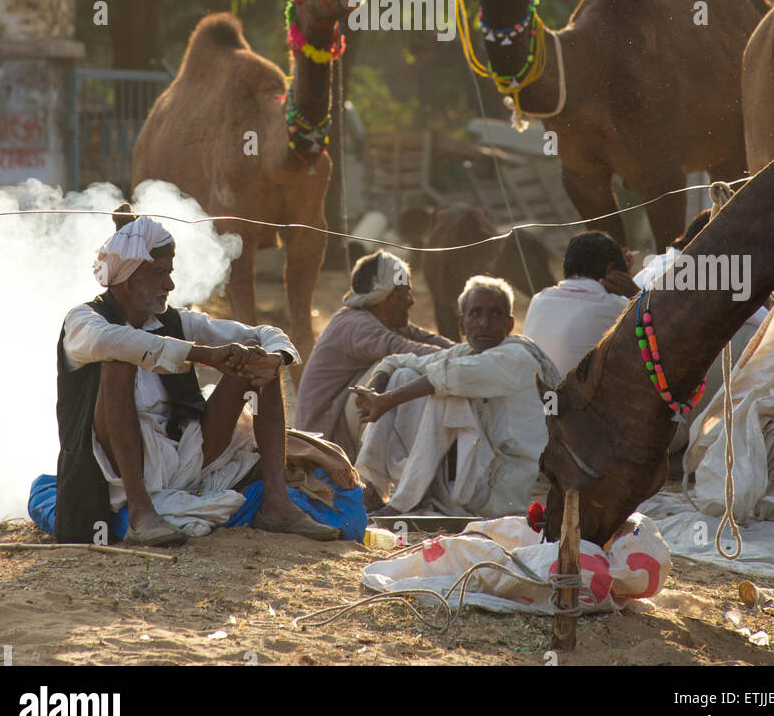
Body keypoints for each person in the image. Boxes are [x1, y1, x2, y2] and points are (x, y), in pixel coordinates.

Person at [55, 205, 341, 545]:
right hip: (117, 469)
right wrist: (204, 355)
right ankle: (141, 513)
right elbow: (118, 342)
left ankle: (276, 505)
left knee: (256, 364)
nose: (170, 284)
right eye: (161, 273)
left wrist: (275, 357)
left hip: (186, 456)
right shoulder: (84, 321)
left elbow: (263, 332)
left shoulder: (175, 321)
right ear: (131, 279)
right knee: (118, 361)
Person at [351, 276, 558, 518]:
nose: (484, 323)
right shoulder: (466, 352)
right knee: (405, 375)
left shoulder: (515, 357)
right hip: (477, 474)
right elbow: (397, 360)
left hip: (507, 489)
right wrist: (375, 393)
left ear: (509, 325)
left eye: (495, 315)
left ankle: (403, 503)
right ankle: (371, 486)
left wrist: (385, 402)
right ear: (462, 324)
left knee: (446, 393)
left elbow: (447, 377)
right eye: (476, 314)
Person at [294, 250, 452, 458]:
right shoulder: (355, 324)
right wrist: (466, 361)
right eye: (406, 293)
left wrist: (471, 352)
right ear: (390, 297)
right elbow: (407, 350)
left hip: (341, 427)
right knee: (400, 371)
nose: (411, 301)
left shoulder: (385, 321)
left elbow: (432, 342)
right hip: (326, 439)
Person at [523, 231, 638, 378]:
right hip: (577, 399)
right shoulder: (617, 307)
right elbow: (655, 328)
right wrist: (636, 292)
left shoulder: (539, 300)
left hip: (541, 398)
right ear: (610, 271)